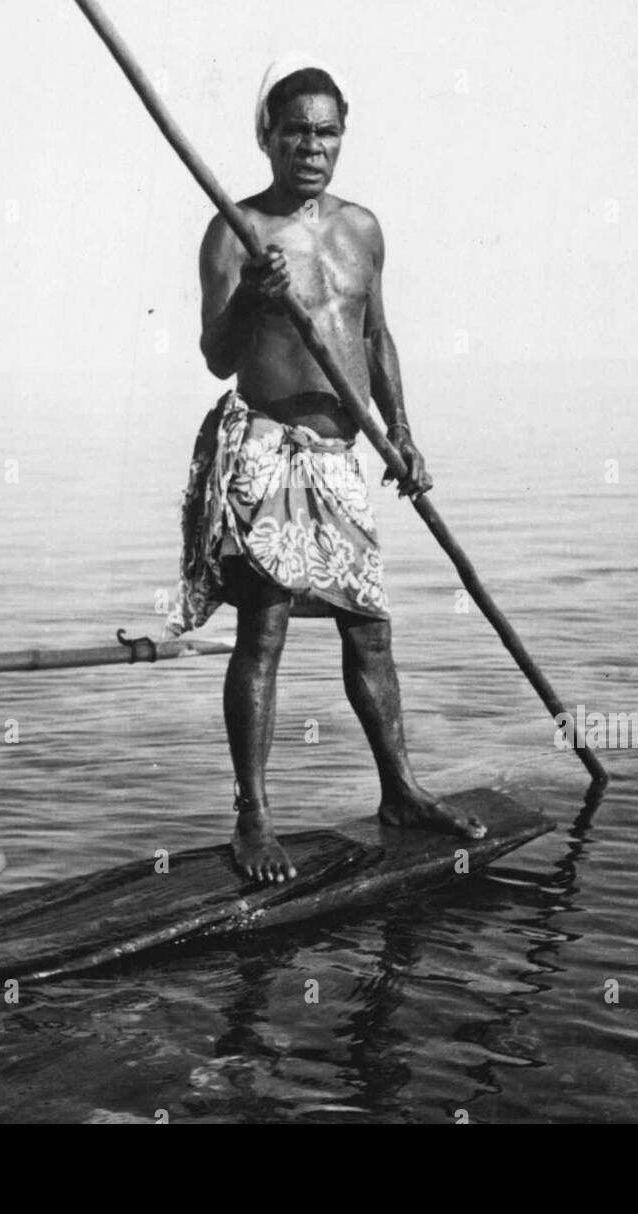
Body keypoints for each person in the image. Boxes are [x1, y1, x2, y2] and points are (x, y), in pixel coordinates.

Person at [166, 53, 486, 883]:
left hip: (344, 452)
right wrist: (254, 301)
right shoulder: (235, 232)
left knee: (370, 631)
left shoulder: (362, 229)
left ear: (343, 137)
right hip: (268, 444)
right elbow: (216, 356)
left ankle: (400, 792)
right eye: (296, 130)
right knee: (263, 630)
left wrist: (403, 435)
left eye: (327, 131)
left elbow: (375, 337)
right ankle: (255, 818)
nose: (312, 146)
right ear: (266, 137)